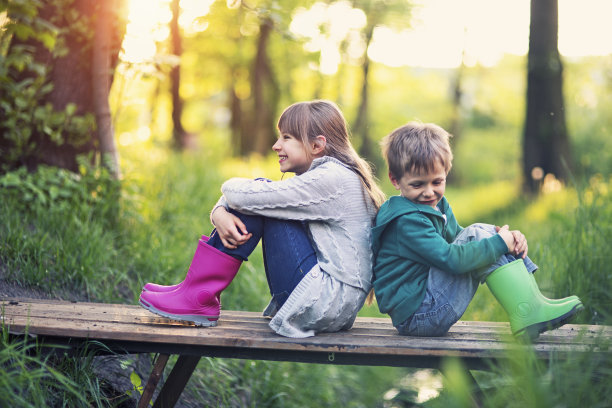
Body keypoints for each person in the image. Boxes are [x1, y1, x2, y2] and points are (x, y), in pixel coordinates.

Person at [139, 100, 386, 338]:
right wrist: (220, 213)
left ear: (316, 145)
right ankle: (194, 291)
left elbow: (243, 194)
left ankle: (197, 296)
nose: (276, 146)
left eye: (287, 138)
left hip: (323, 303)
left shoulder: (333, 178)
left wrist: (219, 211)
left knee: (261, 193)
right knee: (263, 197)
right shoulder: (338, 175)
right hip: (332, 306)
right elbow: (249, 198)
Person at [371, 122, 582, 341]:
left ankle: (532, 303)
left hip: (426, 305)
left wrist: (504, 238)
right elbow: (452, 259)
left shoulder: (436, 206)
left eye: (437, 182)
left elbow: (460, 238)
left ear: (446, 173)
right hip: (420, 316)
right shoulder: (407, 221)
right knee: (480, 235)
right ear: (395, 180)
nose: (429, 192)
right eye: (418, 185)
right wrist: (499, 243)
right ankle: (528, 312)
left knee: (482, 232)